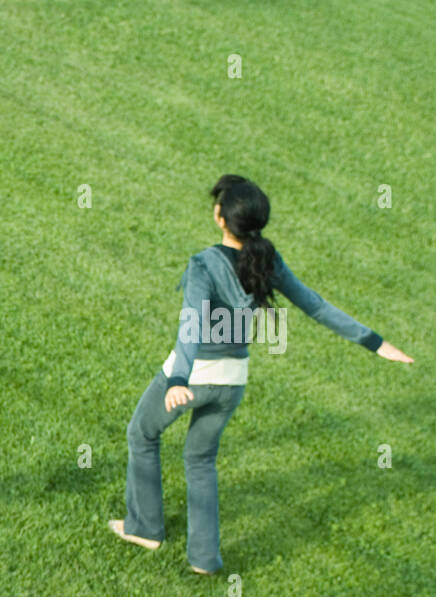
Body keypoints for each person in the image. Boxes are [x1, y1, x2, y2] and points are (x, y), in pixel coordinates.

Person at [109, 175, 413, 573]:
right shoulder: (267, 260)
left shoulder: (204, 263)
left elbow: (192, 325)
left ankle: (144, 528)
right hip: (233, 381)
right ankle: (204, 558)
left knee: (141, 433)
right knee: (200, 460)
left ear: (221, 218)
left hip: (194, 375)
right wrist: (374, 342)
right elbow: (316, 306)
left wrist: (178, 380)